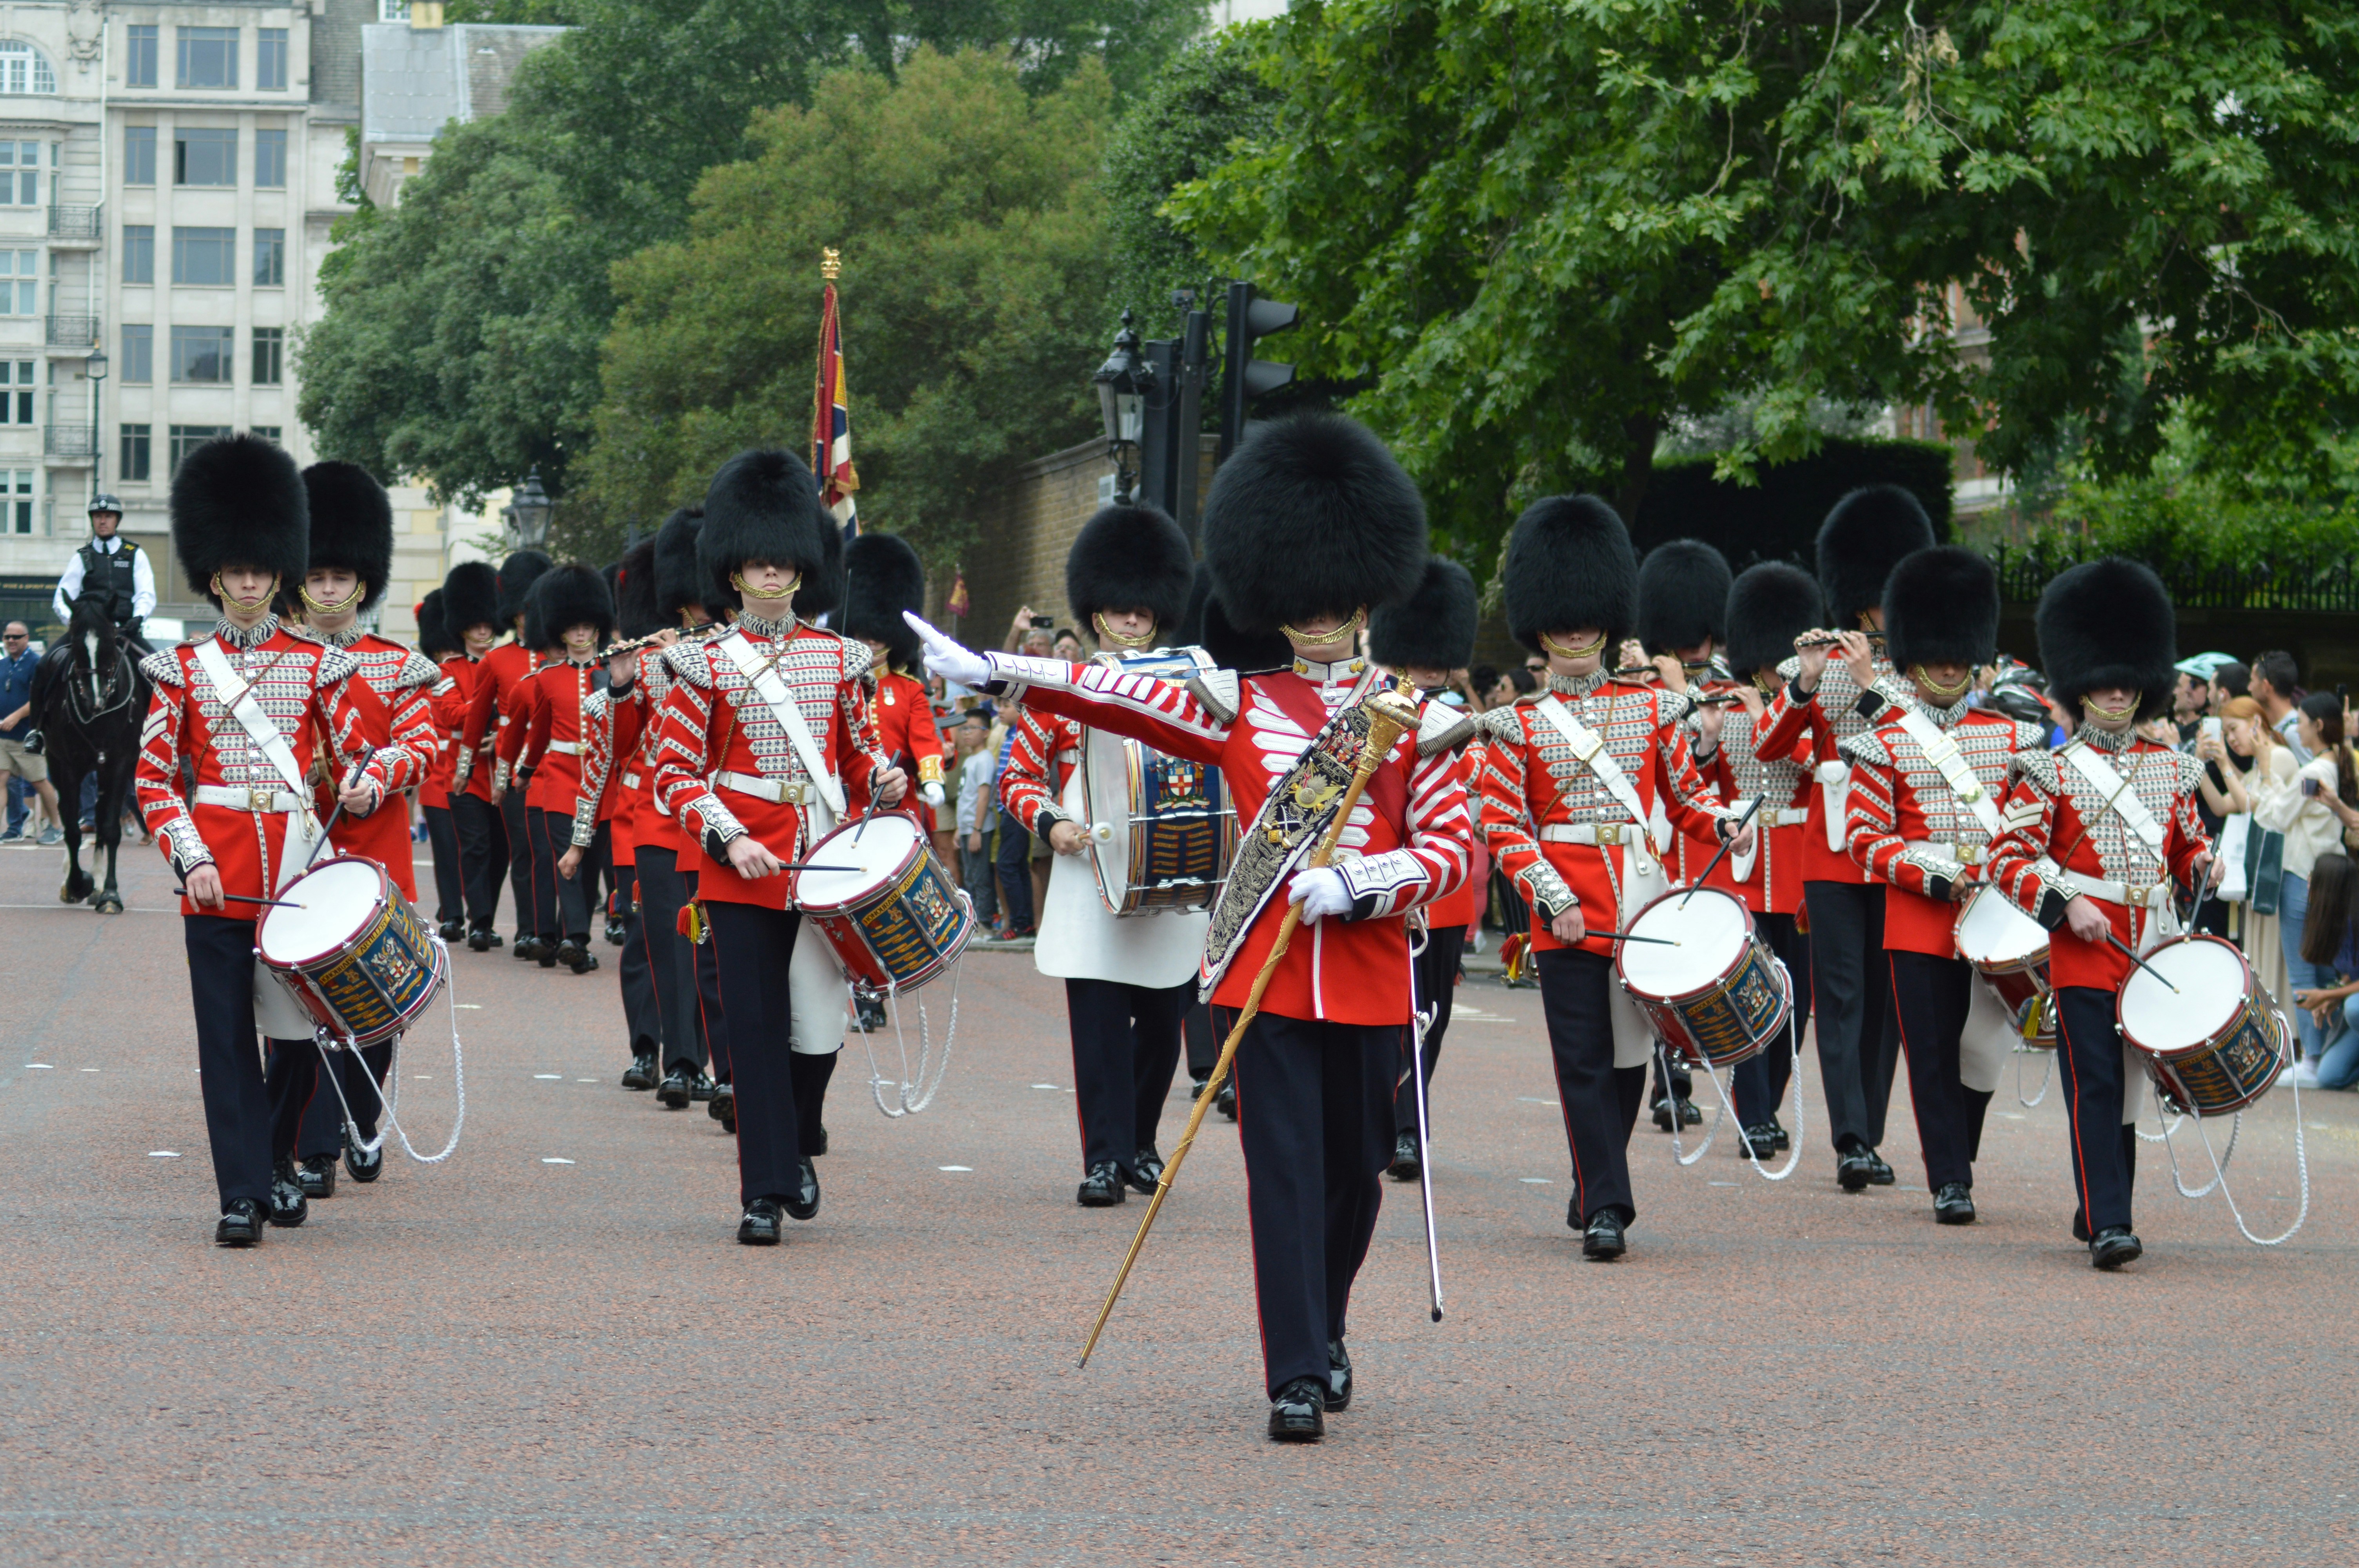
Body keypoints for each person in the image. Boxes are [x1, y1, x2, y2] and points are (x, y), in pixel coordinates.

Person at [912, 410, 1471, 1443]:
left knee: (1352, 1173)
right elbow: (1120, 695)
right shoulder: (1234, 701)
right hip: (1258, 972)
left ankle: (1330, 1320)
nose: (1314, 624)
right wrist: (998, 671)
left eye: (1330, 607)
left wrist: (1362, 882)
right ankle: (1294, 1371)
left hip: (1362, 973)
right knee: (1285, 1173)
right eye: (1297, 607)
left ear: (1361, 604)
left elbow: (1453, 850)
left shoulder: (1410, 716)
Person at [132, 435, 394, 1246]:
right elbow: (153, 782)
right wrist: (192, 856)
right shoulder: (179, 670)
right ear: (215, 577)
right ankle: (240, 1191)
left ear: (277, 573)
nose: (248, 584)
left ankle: (277, 1159)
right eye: (234, 571)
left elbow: (356, 749)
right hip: (215, 877)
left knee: (296, 1037)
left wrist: (366, 778)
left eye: (259, 570)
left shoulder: (318, 666)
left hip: (292, 875)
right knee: (225, 1046)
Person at [1476, 496, 1752, 1261]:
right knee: (1580, 1056)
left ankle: (1590, 1176)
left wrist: (1720, 819)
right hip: (1561, 904)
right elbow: (1502, 825)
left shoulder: (1655, 708)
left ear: (1604, 618)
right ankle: (1608, 1201)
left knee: (1630, 1058)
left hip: (1637, 899)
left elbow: (1685, 798)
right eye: (1559, 620)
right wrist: (1550, 896)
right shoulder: (1516, 723)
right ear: (1540, 623)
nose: (1572, 629)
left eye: (1583, 616)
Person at [649, 449, 905, 1245]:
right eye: (757, 561)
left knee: (818, 1029)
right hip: (741, 868)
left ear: (803, 565)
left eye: (783, 559)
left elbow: (857, 755)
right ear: (733, 570)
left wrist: (884, 780)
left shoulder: (841, 659)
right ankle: (762, 1187)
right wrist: (727, 837)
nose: (770, 573)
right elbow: (673, 772)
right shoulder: (700, 661)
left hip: (821, 861)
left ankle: (797, 1137)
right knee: (754, 1030)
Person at [1986, 558, 2211, 1270]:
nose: (2116, 691)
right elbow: (2007, 860)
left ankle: (2098, 1203)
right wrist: (2066, 903)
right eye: (2103, 680)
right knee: (2097, 1081)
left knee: (2132, 1087)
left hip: (2153, 940)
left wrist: (2201, 862)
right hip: (2085, 944)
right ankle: (2113, 1221)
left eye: (2126, 680)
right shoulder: (2047, 769)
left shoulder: (2171, 767)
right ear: (2079, 685)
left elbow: (2185, 843)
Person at [998, 503, 1203, 1206]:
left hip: (1172, 869)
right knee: (1097, 1027)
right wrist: (1052, 824)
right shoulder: (1061, 694)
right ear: (1097, 615)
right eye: (1119, 612)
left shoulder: (1191, 687)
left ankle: (1141, 1142)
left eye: (1143, 612)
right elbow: (1017, 778)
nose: (1132, 621)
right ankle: (1105, 1158)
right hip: (1090, 868)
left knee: (1161, 1025)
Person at [1840, 548, 2047, 1226]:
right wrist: (1930, 874)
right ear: (1912, 657)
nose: (1950, 667)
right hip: (1918, 913)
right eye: (1937, 655)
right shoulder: (1881, 740)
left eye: (1959, 655)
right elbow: (1866, 841)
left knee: (1983, 1048)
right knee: (1929, 1050)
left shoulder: (2013, 736)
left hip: (1995, 910)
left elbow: (2035, 828)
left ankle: (1960, 1148)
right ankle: (1949, 1179)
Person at [1755, 485, 1930, 1192]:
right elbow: (1769, 748)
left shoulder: (1921, 672)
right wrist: (1804, 685)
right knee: (1841, 994)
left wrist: (1867, 687)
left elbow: (1923, 749)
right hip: (1831, 853)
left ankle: (1871, 1127)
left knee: (1887, 1004)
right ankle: (1850, 1138)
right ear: (1864, 603)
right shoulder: (1823, 658)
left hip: (1898, 858)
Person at [284, 461, 442, 1198]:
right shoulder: (275, 668)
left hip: (373, 852)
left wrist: (376, 778)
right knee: (302, 1007)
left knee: (374, 1008)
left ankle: (362, 1119)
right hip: (299, 853)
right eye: (315, 579)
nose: (327, 591)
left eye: (340, 580)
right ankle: (314, 1144)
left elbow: (423, 744)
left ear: (361, 584)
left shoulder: (400, 667)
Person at [1368, 558, 1479, 1181]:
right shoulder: (1377, 705)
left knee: (1429, 1016)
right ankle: (1388, 1119)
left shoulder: (1467, 719)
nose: (1431, 664)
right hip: (1388, 886)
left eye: (1440, 653)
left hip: (1444, 895)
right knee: (1386, 1013)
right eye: (1421, 652)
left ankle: (1412, 1126)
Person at [1717, 563, 1824, 1156]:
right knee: (1747, 993)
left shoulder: (1809, 715)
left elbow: (1816, 765)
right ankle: (1752, 1112)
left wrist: (1770, 716)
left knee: (1797, 1002)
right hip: (1746, 864)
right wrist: (1708, 735)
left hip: (1800, 868)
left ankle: (1768, 1102)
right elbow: (1697, 782)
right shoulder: (1727, 710)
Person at [1635, 538, 1734, 1131]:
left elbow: (1708, 776)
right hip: (1646, 837)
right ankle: (1665, 1082)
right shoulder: (1637, 679)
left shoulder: (1724, 684)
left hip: (1695, 838)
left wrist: (1704, 729)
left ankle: (1682, 1073)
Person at [513, 563, 617, 976]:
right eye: (572, 628)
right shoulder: (546, 678)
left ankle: (573, 934)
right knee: (566, 860)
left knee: (589, 862)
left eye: (586, 627)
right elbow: (538, 732)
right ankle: (576, 939)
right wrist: (526, 771)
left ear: (597, 629)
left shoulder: (612, 676)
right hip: (559, 777)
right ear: (560, 632)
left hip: (601, 779)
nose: (579, 634)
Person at [2257, 691, 2359, 1070]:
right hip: (2328, 876)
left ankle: (2313, 1057)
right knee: (2326, 966)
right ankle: (2323, 1052)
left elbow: (2276, 818)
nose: (2296, 730)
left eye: (2301, 722)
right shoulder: (2334, 766)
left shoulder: (2312, 773)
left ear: (2317, 725)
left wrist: (2265, 773)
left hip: (2301, 876)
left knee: (2304, 967)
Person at [456, 550, 552, 950]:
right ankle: (528, 929)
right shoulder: (496, 659)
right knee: (525, 849)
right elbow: (477, 718)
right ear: (515, 615)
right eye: (524, 611)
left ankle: (554, 927)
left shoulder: (559, 659)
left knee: (553, 851)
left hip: (560, 764)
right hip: (514, 769)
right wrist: (464, 769)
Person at [437, 561, 505, 946]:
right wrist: (491, 709)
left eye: (487, 623)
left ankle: (486, 914)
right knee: (476, 846)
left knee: (500, 851)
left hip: (501, 770)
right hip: (463, 773)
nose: (483, 630)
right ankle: (479, 922)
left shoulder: (507, 666)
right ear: (463, 627)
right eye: (476, 624)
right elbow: (450, 714)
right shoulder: (450, 670)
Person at [411, 592, 469, 938]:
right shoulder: (428, 676)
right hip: (438, 772)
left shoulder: (473, 669)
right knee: (447, 849)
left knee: (473, 849)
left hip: (468, 769)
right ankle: (451, 910)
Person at [52, 494, 156, 655]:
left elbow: (146, 593)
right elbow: (61, 599)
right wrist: (75, 622)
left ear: (117, 520)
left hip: (126, 630)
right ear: (92, 520)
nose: (102, 521)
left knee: (158, 670)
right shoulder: (81, 557)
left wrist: (138, 618)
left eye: (108, 516)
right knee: (44, 664)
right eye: (98, 516)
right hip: (88, 631)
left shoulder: (135, 554)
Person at [2292, 852, 2359, 1089]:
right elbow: (2351, 973)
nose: (2309, 880)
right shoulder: (2336, 922)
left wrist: (2329, 996)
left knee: (2354, 1008)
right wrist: (2337, 995)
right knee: (2330, 1077)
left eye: (2314, 876)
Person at [0, 619, 62, 844]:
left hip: (28, 736)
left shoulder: (38, 664)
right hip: (3, 736)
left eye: (16, 637)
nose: (11, 641)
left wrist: (16, 717)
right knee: (2, 778)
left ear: (27, 639)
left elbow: (40, 699)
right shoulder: (3, 664)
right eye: (7, 637)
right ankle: (14, 829)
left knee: (39, 782)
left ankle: (56, 826)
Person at [952, 706, 999, 927]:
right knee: (970, 876)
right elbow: (965, 796)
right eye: (964, 729)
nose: (967, 733)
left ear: (986, 732)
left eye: (973, 728)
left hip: (979, 828)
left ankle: (985, 922)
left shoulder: (985, 759)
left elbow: (983, 797)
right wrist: (960, 828)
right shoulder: (971, 758)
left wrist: (977, 831)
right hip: (967, 826)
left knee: (980, 878)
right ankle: (975, 921)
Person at [2249, 650, 2307, 762]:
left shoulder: (2294, 732)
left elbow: (2311, 777)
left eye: (2252, 681)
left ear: (2265, 686)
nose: (2249, 688)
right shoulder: (2271, 726)